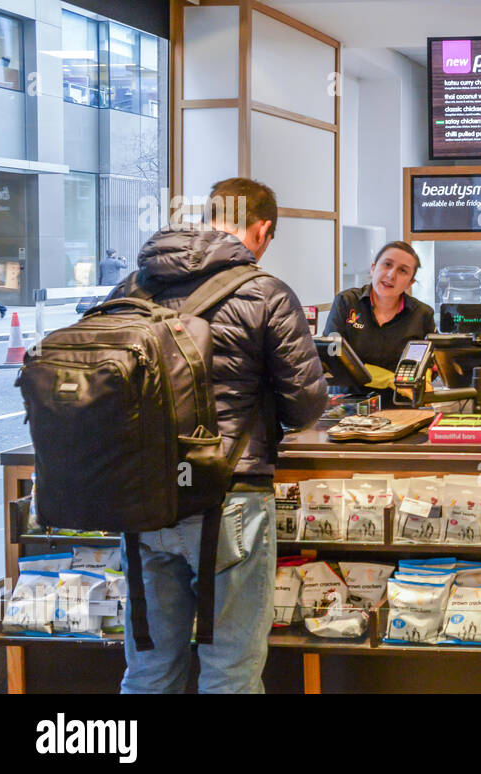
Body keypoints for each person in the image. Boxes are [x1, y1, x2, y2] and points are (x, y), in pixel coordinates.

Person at [106, 178, 328, 693]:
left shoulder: (133, 286)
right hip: (229, 496)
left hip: (140, 498)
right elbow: (307, 407)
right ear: (263, 228)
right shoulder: (265, 291)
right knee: (230, 669)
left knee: (149, 669)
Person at [323, 241, 436, 373]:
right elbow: (332, 355)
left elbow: (430, 366)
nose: (391, 275)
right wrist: (387, 379)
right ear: (373, 268)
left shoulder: (423, 315)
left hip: (400, 393)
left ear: (410, 283)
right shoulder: (346, 302)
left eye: (402, 270)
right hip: (348, 393)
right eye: (387, 264)